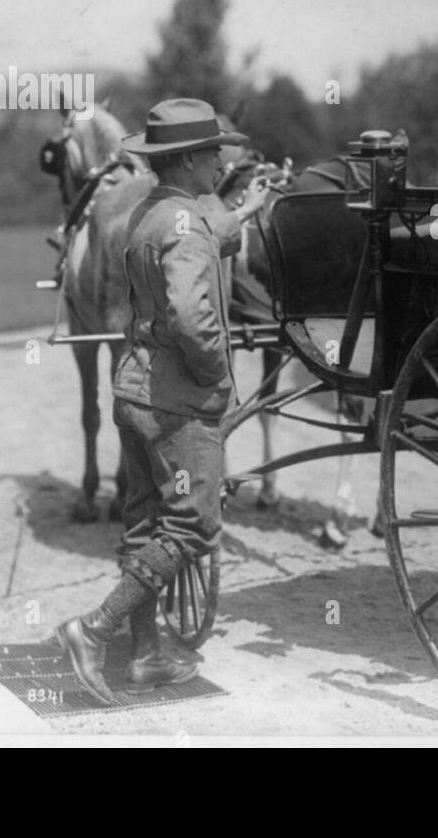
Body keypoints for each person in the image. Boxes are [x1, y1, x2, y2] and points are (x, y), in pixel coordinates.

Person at [56, 98, 272, 705]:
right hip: (179, 400)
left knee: (145, 520)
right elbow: (190, 313)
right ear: (187, 161)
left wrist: (243, 212)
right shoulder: (183, 224)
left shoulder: (150, 211)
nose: (220, 160)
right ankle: (94, 630)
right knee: (193, 522)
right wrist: (215, 379)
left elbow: (200, 234)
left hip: (133, 389)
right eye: (212, 153)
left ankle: (148, 653)